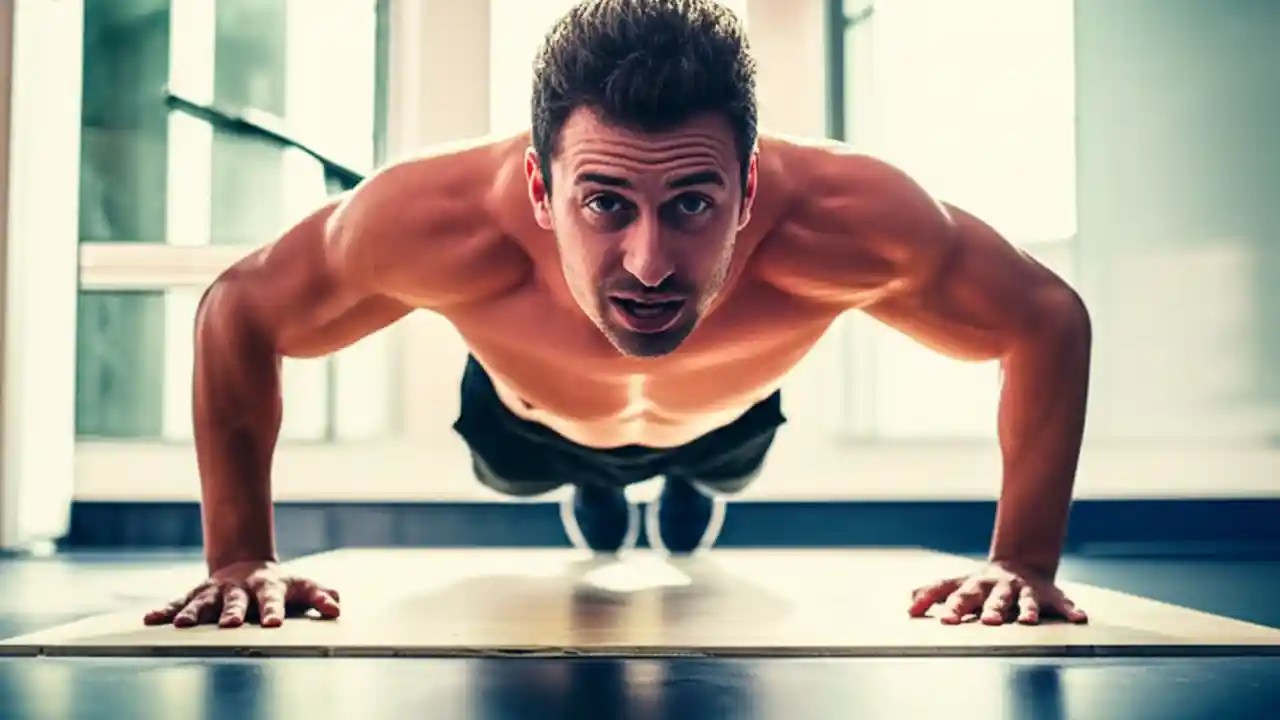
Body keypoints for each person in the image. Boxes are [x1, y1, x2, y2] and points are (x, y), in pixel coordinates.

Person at [144, 0, 1091, 630]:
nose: (648, 264)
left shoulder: (850, 221)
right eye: (605, 203)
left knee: (719, 469)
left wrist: (1024, 560)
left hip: (728, 419)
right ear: (539, 186)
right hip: (525, 425)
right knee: (529, 474)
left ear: (749, 183)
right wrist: (239, 558)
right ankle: (594, 494)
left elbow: (1045, 318)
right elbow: (240, 311)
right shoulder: (431, 221)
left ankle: (676, 493)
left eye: (692, 204)